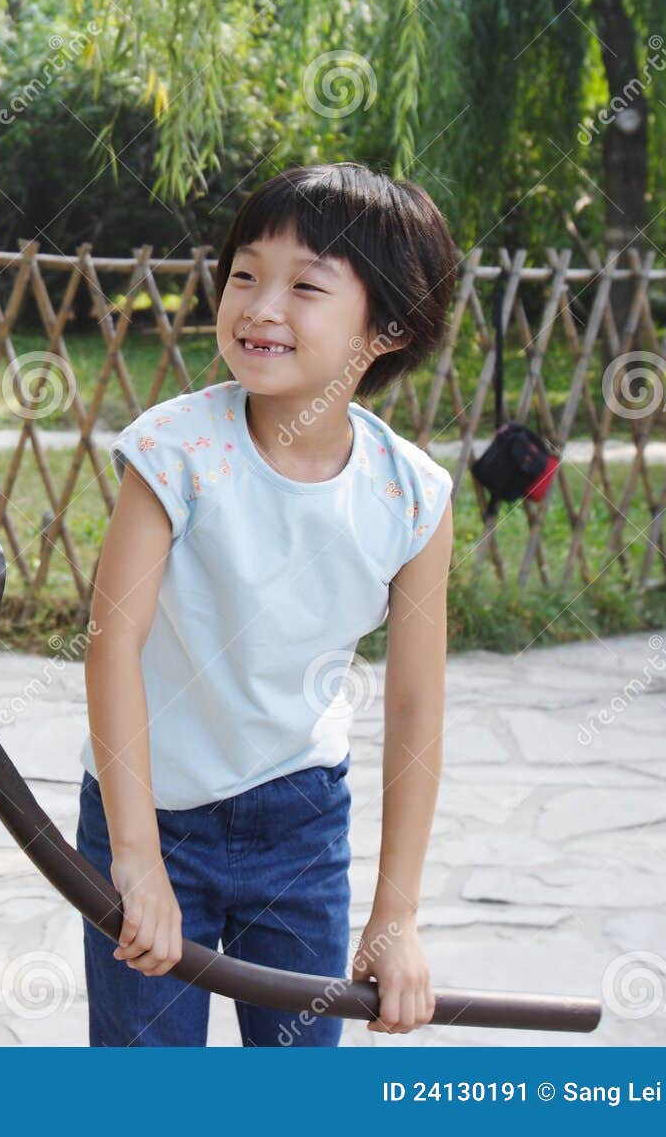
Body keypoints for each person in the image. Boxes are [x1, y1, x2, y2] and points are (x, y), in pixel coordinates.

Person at [77, 162, 459, 1046]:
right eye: (245, 274)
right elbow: (112, 643)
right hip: (151, 808)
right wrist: (135, 858)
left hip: (299, 819)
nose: (259, 305)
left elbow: (413, 704)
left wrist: (395, 918)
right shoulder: (174, 452)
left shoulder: (411, 497)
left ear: (387, 329)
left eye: (305, 286)